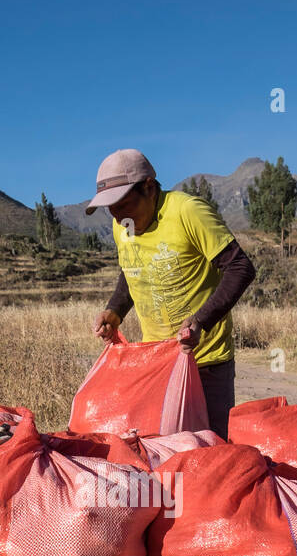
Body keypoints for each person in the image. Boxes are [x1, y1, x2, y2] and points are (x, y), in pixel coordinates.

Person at [88, 149, 256, 439]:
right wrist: (115, 310)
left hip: (205, 362)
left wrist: (201, 321)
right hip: (157, 362)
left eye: (122, 204)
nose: (116, 216)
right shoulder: (122, 226)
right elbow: (132, 270)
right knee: (162, 450)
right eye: (109, 208)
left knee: (209, 452)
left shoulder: (187, 212)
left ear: (149, 187)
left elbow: (240, 267)